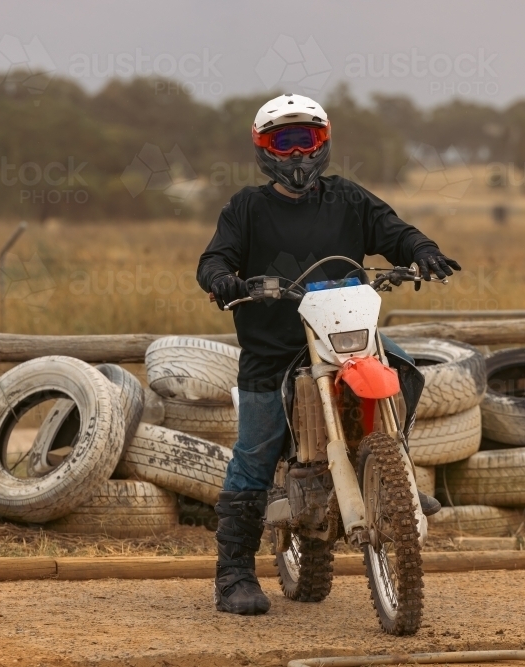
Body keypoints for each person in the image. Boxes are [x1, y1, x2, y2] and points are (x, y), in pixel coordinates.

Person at [196, 93, 461, 616]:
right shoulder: (246, 207)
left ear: (324, 143)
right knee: (254, 454)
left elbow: (395, 232)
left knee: (404, 368)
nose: (296, 153)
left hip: (345, 342)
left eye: (306, 139)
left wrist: (422, 251)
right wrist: (223, 280)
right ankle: (234, 576)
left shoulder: (349, 199)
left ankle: (395, 474)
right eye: (283, 141)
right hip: (274, 353)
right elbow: (214, 258)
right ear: (263, 148)